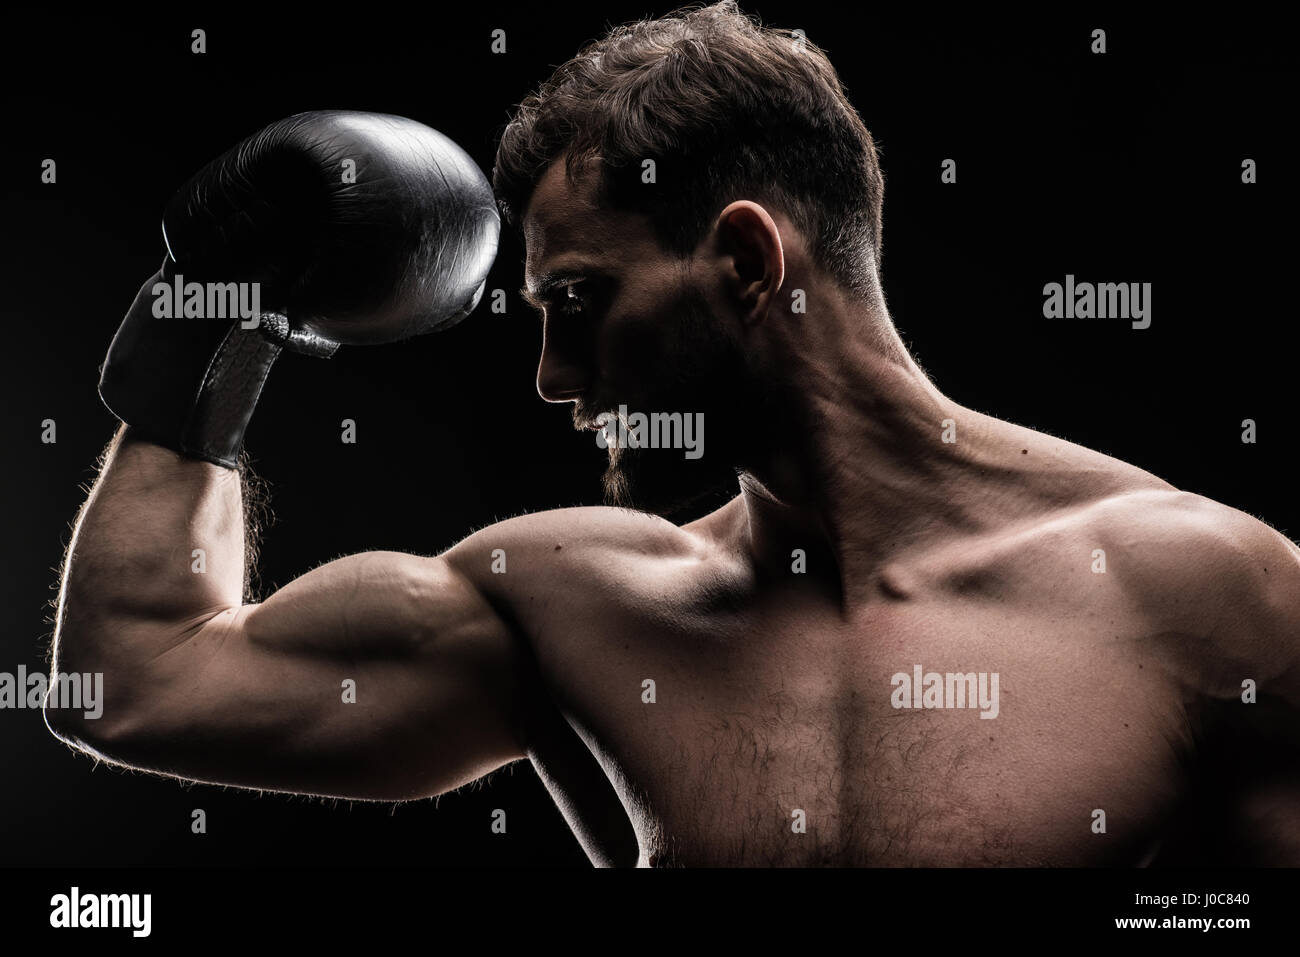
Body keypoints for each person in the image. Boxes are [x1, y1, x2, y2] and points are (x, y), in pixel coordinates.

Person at [47, 2, 1300, 866]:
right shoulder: (567, 605)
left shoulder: (1198, 590)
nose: (549, 377)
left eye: (580, 306)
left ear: (748, 262)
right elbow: (132, 685)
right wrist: (210, 315)